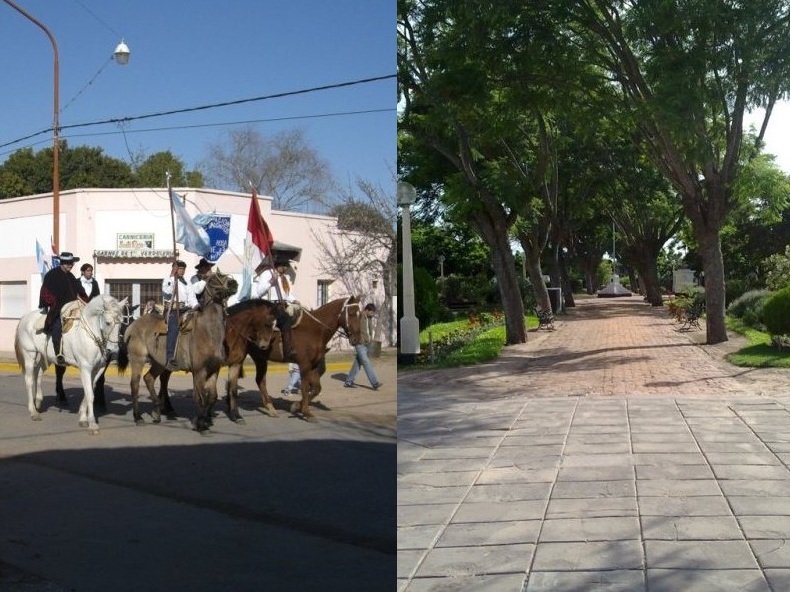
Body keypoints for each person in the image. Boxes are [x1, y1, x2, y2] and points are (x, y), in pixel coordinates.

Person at [55, 262, 103, 400]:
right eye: (88, 271)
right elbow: (72, 295)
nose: (90, 273)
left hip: (91, 311)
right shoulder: (75, 281)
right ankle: (63, 347)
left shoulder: (95, 283)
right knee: (69, 325)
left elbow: (97, 297)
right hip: (77, 307)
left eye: (91, 271)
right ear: (82, 272)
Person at [39, 252, 89, 366]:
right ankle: (58, 354)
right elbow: (45, 292)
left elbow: (80, 292)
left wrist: (88, 303)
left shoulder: (71, 276)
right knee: (57, 327)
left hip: (74, 306)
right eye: (67, 263)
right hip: (58, 309)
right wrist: (55, 303)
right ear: (61, 263)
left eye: (71, 263)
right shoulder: (51, 275)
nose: (69, 265)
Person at [253, 256, 298, 360]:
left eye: (286, 267)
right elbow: (259, 292)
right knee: (286, 320)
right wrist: (271, 281)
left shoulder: (284, 277)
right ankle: (288, 349)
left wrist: (294, 300)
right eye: (284, 266)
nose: (286, 269)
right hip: (270, 306)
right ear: (278, 266)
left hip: (283, 304)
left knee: (300, 314)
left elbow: (287, 294)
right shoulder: (267, 274)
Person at [161, 260, 200, 370]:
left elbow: (192, 297)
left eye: (183, 269)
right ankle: (170, 357)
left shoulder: (187, 282)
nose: (182, 271)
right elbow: (167, 291)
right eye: (180, 269)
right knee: (174, 328)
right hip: (173, 310)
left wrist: (196, 305)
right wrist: (171, 277)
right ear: (174, 269)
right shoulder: (168, 280)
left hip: (185, 309)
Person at [344, 303, 382, 390]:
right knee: (366, 362)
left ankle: (348, 381)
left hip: (366, 344)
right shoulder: (360, 316)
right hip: (359, 343)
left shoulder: (368, 318)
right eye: (372, 312)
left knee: (357, 363)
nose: (373, 314)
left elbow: (368, 331)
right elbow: (352, 327)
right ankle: (374, 383)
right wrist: (356, 339)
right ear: (367, 310)